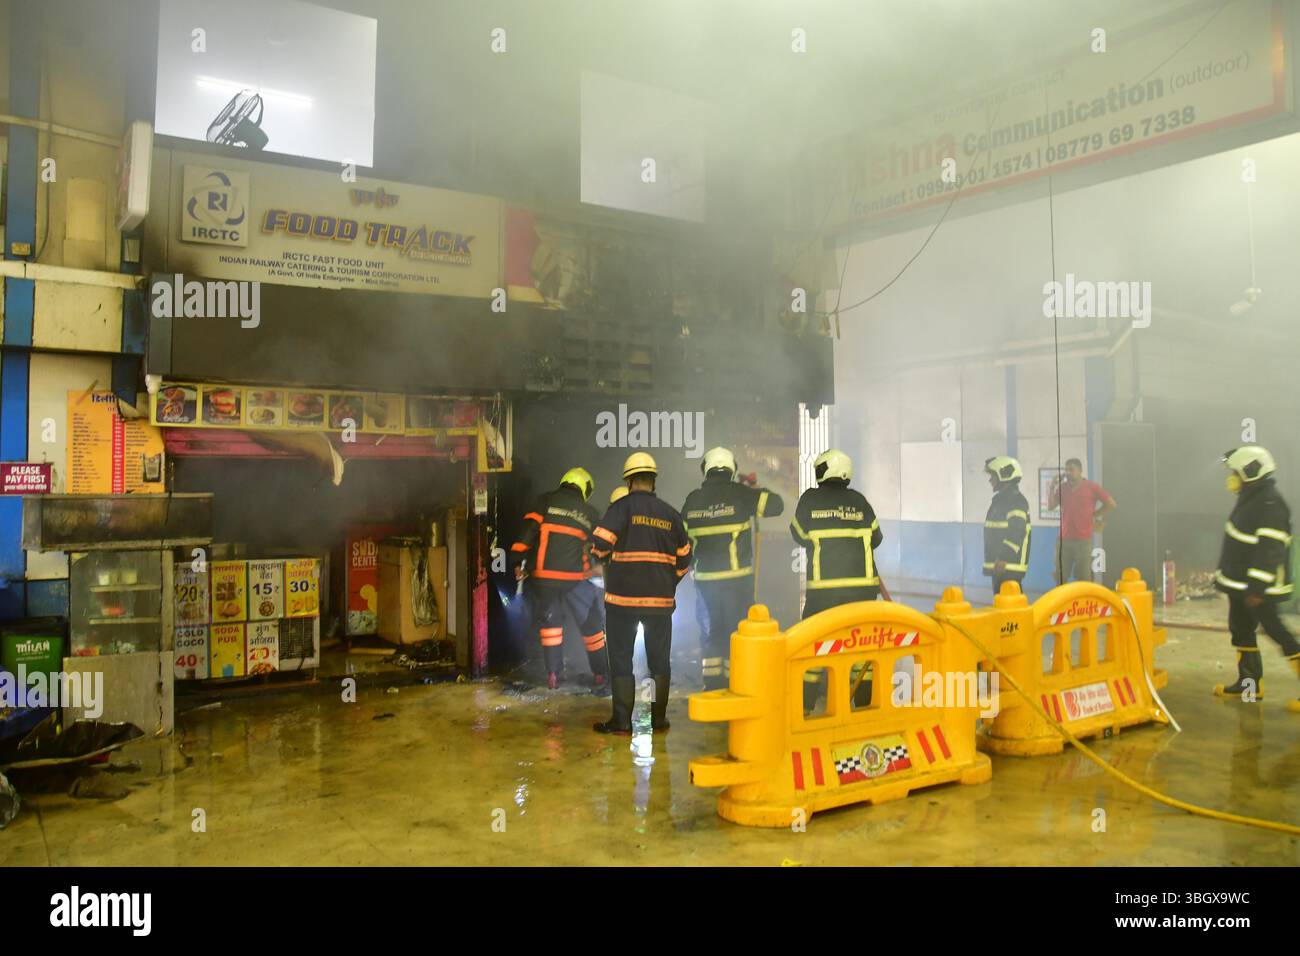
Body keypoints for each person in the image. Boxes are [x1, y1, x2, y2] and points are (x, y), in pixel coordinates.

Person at [589, 452, 692, 734]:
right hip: (660, 603)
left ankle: (622, 722)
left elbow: (599, 544)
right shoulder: (671, 515)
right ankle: (657, 720)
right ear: (653, 480)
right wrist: (668, 584)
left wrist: (605, 559)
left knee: (621, 660)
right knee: (659, 662)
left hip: (622, 602)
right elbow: (684, 559)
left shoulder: (621, 508)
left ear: (630, 480)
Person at [681, 446, 785, 690]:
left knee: (711, 633)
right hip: (737, 581)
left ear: (706, 471)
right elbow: (777, 505)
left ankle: (713, 685)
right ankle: (736, 682)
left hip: (705, 582)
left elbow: (680, 540)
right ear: (731, 469)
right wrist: (754, 490)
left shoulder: (692, 500)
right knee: (736, 631)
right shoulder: (741, 494)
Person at [790, 449, 883, 710]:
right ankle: (864, 706)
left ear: (825, 471)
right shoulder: (860, 501)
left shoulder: (810, 499)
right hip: (863, 592)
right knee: (860, 646)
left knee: (813, 645)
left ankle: (804, 706)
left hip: (824, 592)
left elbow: (797, 533)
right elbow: (877, 539)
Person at [509, 467, 610, 693]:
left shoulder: (543, 502)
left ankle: (554, 675)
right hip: (575, 577)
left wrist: (518, 562)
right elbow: (602, 545)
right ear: (585, 488)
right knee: (591, 624)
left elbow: (528, 533)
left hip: (543, 577)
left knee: (551, 626)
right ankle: (601, 674)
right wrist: (601, 567)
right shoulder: (589, 512)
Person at [1213, 446, 1298, 708]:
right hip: (1241, 585)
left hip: (1258, 588)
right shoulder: (1252, 497)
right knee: (1241, 630)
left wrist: (1258, 588)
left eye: (1235, 472)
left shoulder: (1270, 503)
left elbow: (1269, 550)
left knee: (1276, 630)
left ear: (1250, 472)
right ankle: (1249, 685)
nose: (1232, 477)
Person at [1048, 458, 1116, 584]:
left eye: (1071, 469)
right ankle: (1064, 602)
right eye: (1066, 470)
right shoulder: (1063, 488)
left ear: (1080, 471)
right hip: (1063, 540)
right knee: (1060, 577)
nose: (1068, 472)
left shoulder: (1091, 487)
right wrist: (1052, 486)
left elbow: (1111, 504)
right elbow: (1050, 506)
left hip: (1083, 541)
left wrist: (1095, 514)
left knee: (1084, 578)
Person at [983, 456, 1032, 596]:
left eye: (993, 475)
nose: (990, 480)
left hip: (1007, 564)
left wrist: (1004, 557)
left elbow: (1016, 531)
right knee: (1002, 605)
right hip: (1000, 564)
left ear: (1004, 475)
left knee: (1011, 605)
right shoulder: (1001, 500)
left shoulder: (1016, 500)